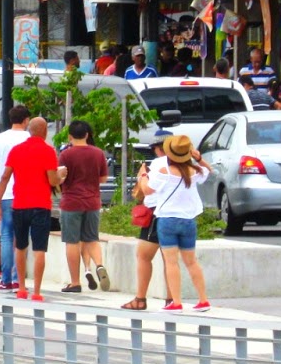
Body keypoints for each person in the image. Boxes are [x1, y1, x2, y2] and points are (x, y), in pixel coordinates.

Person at [0, 116, 59, 302]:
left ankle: (22, 288)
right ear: (45, 131)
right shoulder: (48, 151)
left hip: (20, 204)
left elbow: (5, 176)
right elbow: (52, 180)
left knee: (20, 247)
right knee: (39, 249)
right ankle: (37, 291)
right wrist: (61, 176)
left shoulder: (17, 150)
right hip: (41, 205)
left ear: (29, 131)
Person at [147, 135, 211, 312]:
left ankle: (176, 302)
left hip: (167, 220)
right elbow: (209, 170)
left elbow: (148, 189)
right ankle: (203, 300)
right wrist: (198, 158)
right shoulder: (195, 171)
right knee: (191, 262)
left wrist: (143, 176)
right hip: (188, 221)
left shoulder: (163, 173)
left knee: (171, 262)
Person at [121, 129, 177, 311]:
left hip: (157, 214)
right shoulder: (185, 163)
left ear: (159, 148)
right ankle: (172, 299)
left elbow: (147, 192)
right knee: (170, 259)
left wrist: (142, 176)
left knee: (143, 256)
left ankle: (140, 298)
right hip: (179, 215)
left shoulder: (158, 164)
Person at [0, 104, 30, 288]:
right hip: (26, 194)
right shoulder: (30, 138)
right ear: (26, 120)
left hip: (6, 193)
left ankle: (6, 279)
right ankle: (19, 279)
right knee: (22, 238)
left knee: (7, 236)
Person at [56, 119, 110, 293]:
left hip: (71, 202)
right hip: (92, 201)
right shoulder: (98, 153)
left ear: (70, 136)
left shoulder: (66, 155)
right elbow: (102, 179)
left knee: (72, 242)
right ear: (87, 134)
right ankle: (99, 265)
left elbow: (59, 179)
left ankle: (75, 282)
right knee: (92, 239)